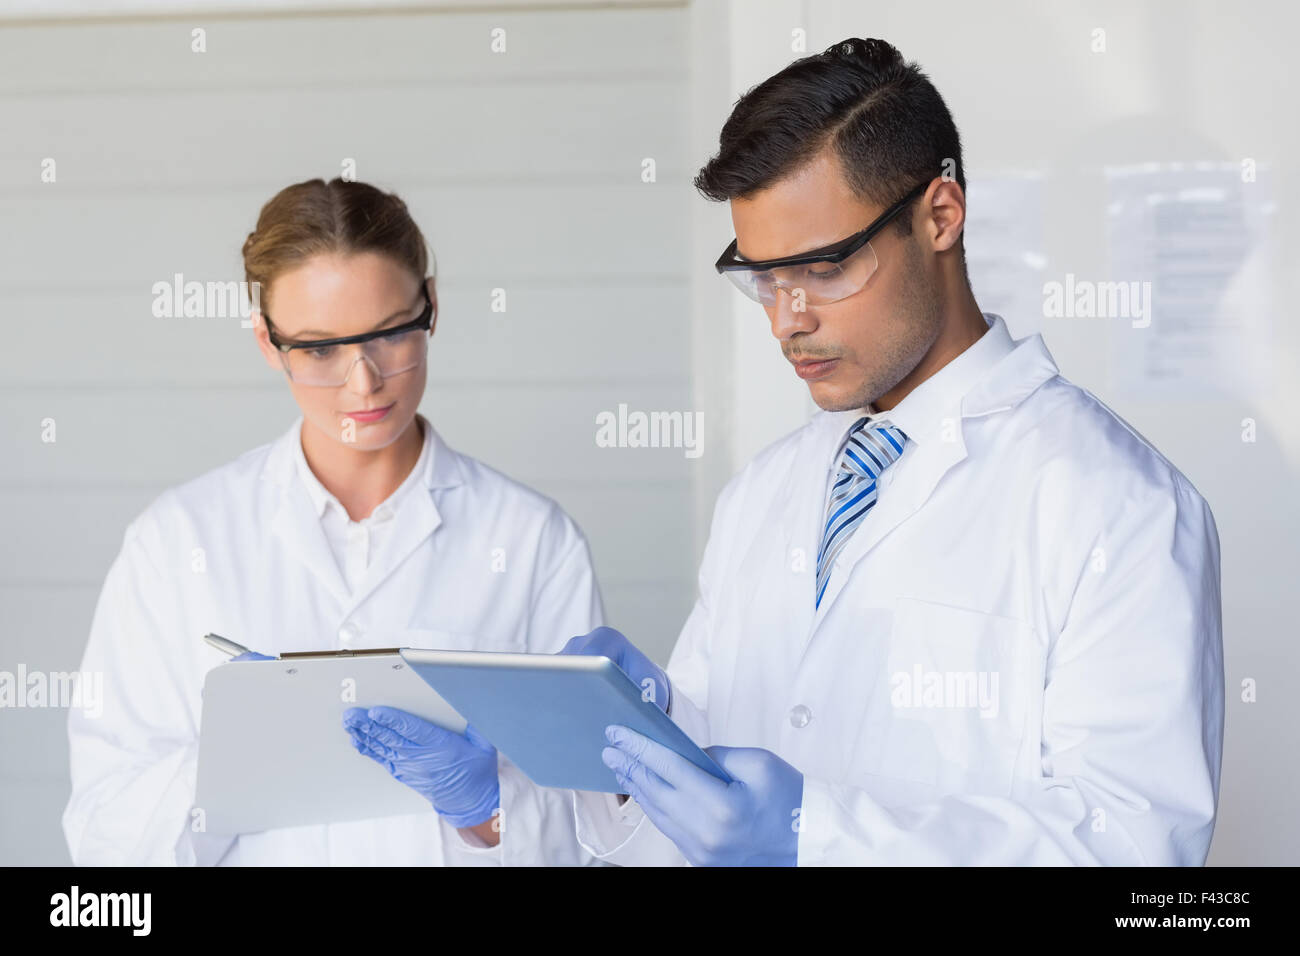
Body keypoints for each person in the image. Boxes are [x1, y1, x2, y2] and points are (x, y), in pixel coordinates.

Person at [562, 38, 1224, 866]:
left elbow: (1136, 852)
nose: (786, 319)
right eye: (764, 276)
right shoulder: (765, 493)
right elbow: (722, 790)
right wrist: (650, 739)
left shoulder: (1120, 506)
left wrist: (818, 837)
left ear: (940, 215)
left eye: (824, 266)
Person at [63, 178, 605, 866]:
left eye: (388, 333)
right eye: (319, 349)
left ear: (431, 306)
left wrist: (486, 807)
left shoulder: (532, 541)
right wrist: (232, 758)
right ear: (267, 342)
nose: (363, 382)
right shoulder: (177, 541)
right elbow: (104, 833)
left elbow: (594, 828)